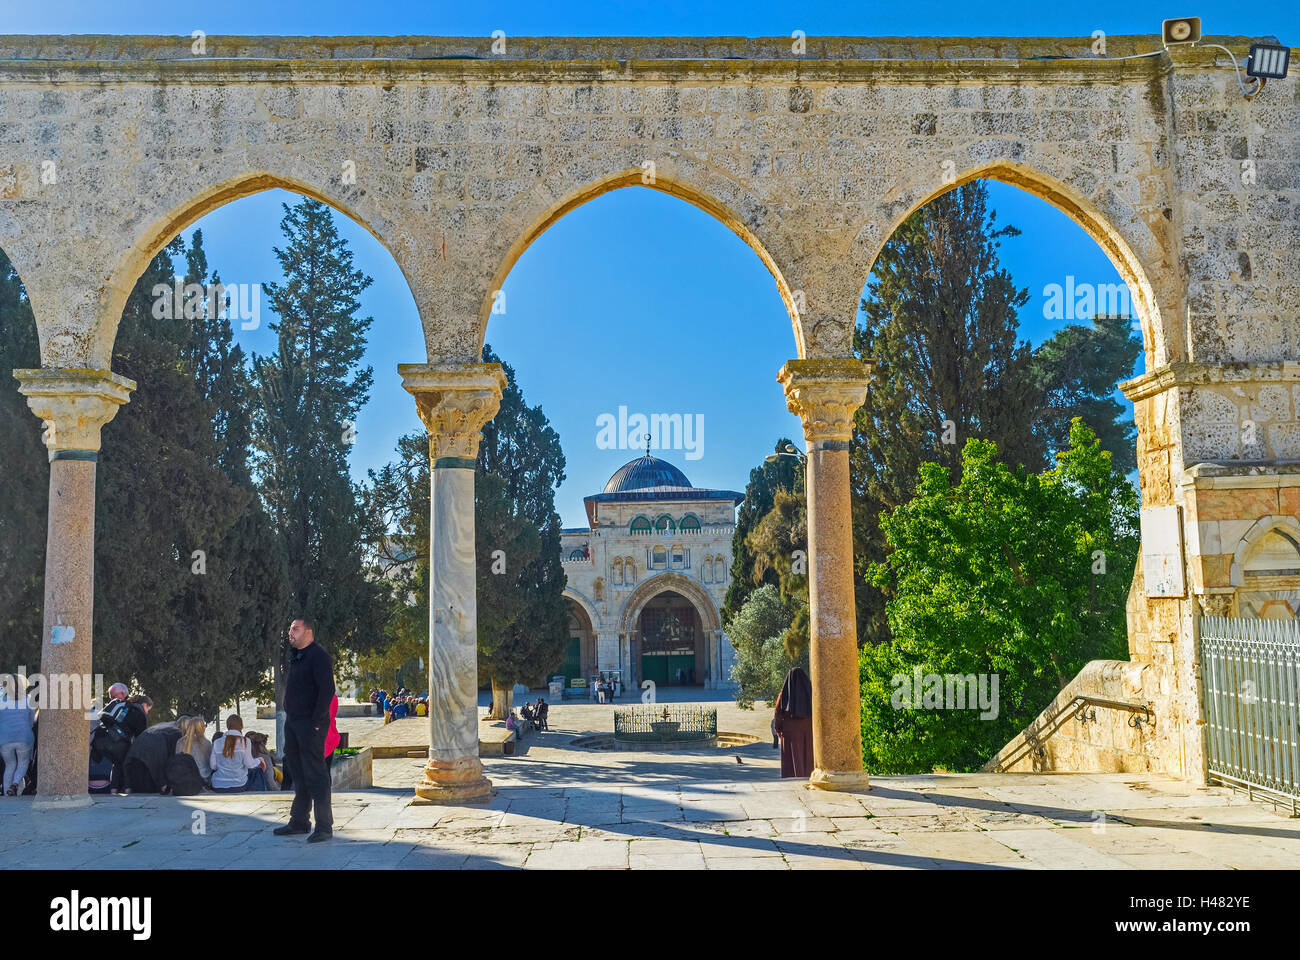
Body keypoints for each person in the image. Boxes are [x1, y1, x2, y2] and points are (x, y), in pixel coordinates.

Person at [273, 616, 335, 843]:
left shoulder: (319, 656)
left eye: (295, 629)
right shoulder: (296, 656)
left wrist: (317, 721)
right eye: (290, 629)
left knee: (316, 775)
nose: (290, 632)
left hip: (311, 724)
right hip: (293, 722)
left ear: (308, 632)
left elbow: (327, 690)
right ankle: (299, 822)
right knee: (297, 772)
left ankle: (324, 826)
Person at [92, 683, 149, 795]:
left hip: (101, 743)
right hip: (119, 743)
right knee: (126, 763)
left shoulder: (110, 708)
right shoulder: (134, 708)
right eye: (111, 697)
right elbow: (140, 731)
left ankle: (113, 790)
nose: (112, 699)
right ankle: (128, 790)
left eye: (113, 696)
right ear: (123, 694)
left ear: (122, 694)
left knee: (117, 763)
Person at [773, 667, 814, 779]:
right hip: (809, 730)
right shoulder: (811, 693)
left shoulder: (784, 695)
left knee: (792, 760)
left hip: (790, 732)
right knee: (808, 757)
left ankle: (793, 779)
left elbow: (778, 713)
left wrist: (778, 729)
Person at [0, 675, 35, 797]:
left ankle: (6, 795)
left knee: (9, 765)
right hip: (23, 737)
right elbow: (32, 720)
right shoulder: (28, 699)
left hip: (4, 739)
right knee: (23, 763)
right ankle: (14, 785)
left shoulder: (1, 700)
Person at [210, 715, 264, 792]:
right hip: (239, 785)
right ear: (241, 726)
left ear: (227, 725)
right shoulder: (245, 741)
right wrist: (259, 760)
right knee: (258, 772)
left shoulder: (217, 742)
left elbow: (213, 766)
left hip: (218, 785)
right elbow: (249, 764)